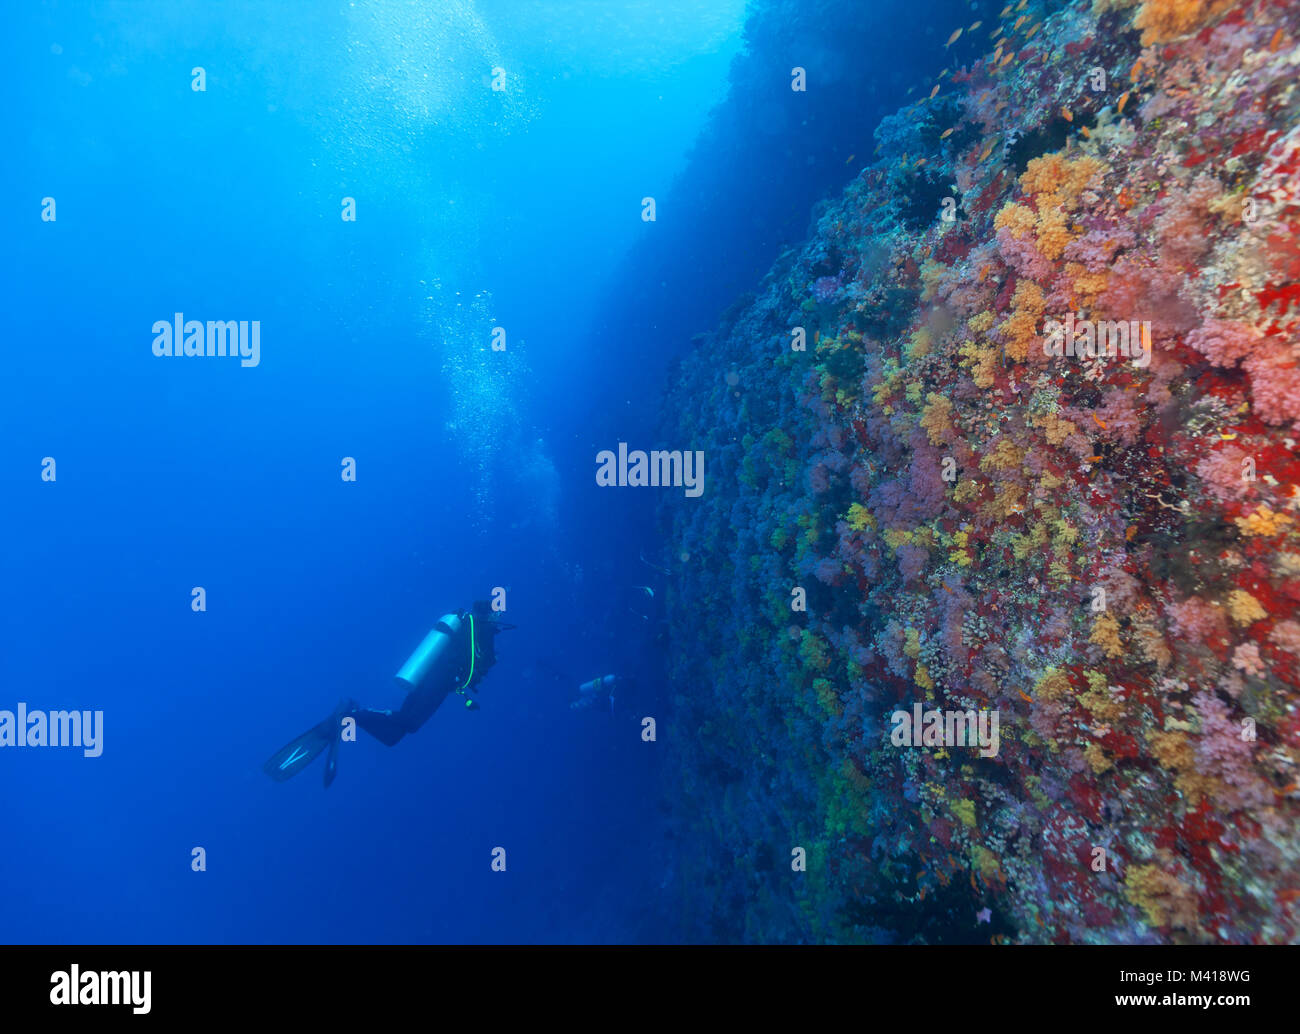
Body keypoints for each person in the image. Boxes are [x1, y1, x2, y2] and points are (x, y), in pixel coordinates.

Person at [263, 600, 508, 787]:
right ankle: (352, 713)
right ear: (487, 614)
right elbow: (478, 663)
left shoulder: (472, 629)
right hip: (439, 678)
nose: (499, 616)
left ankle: (353, 715)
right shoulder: (479, 629)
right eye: (496, 613)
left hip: (434, 679)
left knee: (394, 737)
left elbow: (472, 665)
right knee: (410, 723)